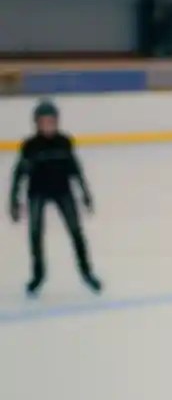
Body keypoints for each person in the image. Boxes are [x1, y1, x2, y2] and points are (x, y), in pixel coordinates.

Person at [8, 99, 102, 297]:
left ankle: (87, 273)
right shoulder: (30, 146)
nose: (48, 126)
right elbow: (19, 174)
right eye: (44, 122)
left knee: (76, 232)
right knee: (35, 235)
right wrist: (14, 201)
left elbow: (76, 170)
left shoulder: (64, 142)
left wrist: (85, 194)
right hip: (37, 193)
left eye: (51, 121)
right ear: (36, 123)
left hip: (62, 191)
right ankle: (38, 276)